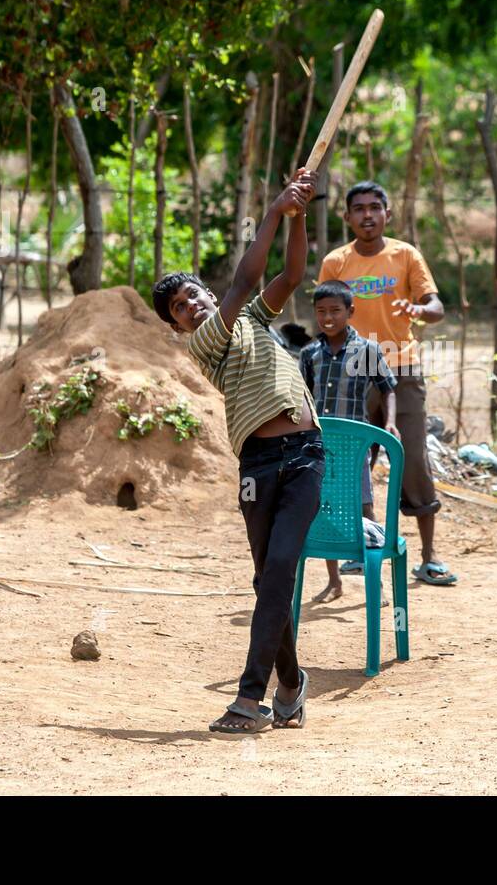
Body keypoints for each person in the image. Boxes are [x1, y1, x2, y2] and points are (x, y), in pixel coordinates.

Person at [152, 169, 321, 732]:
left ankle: (251, 699)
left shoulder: (251, 319)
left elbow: (292, 273)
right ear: (178, 327)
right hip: (257, 467)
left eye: (194, 293)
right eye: (179, 306)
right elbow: (245, 281)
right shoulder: (206, 343)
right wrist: (273, 211)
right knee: (267, 579)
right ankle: (292, 687)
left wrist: (296, 217)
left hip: (304, 457)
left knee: (276, 574)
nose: (191, 305)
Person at [318, 180, 457, 586]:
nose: (367, 215)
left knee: (412, 457)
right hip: (353, 370)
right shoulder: (336, 263)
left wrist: (415, 308)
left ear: (387, 214)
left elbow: (436, 307)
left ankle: (429, 556)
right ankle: (363, 547)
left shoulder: (405, 255)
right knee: (353, 460)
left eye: (375, 207)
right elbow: (325, 314)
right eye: (358, 208)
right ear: (346, 217)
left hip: (402, 367)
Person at [299, 279, 399, 603]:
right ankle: (334, 581)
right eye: (321, 311)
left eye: (335, 311)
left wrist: (392, 423)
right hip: (320, 444)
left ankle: (376, 582)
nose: (328, 318)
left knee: (364, 505)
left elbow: (388, 388)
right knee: (323, 505)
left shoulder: (366, 350)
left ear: (350, 311)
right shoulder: (310, 353)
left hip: (355, 446)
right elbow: (302, 395)